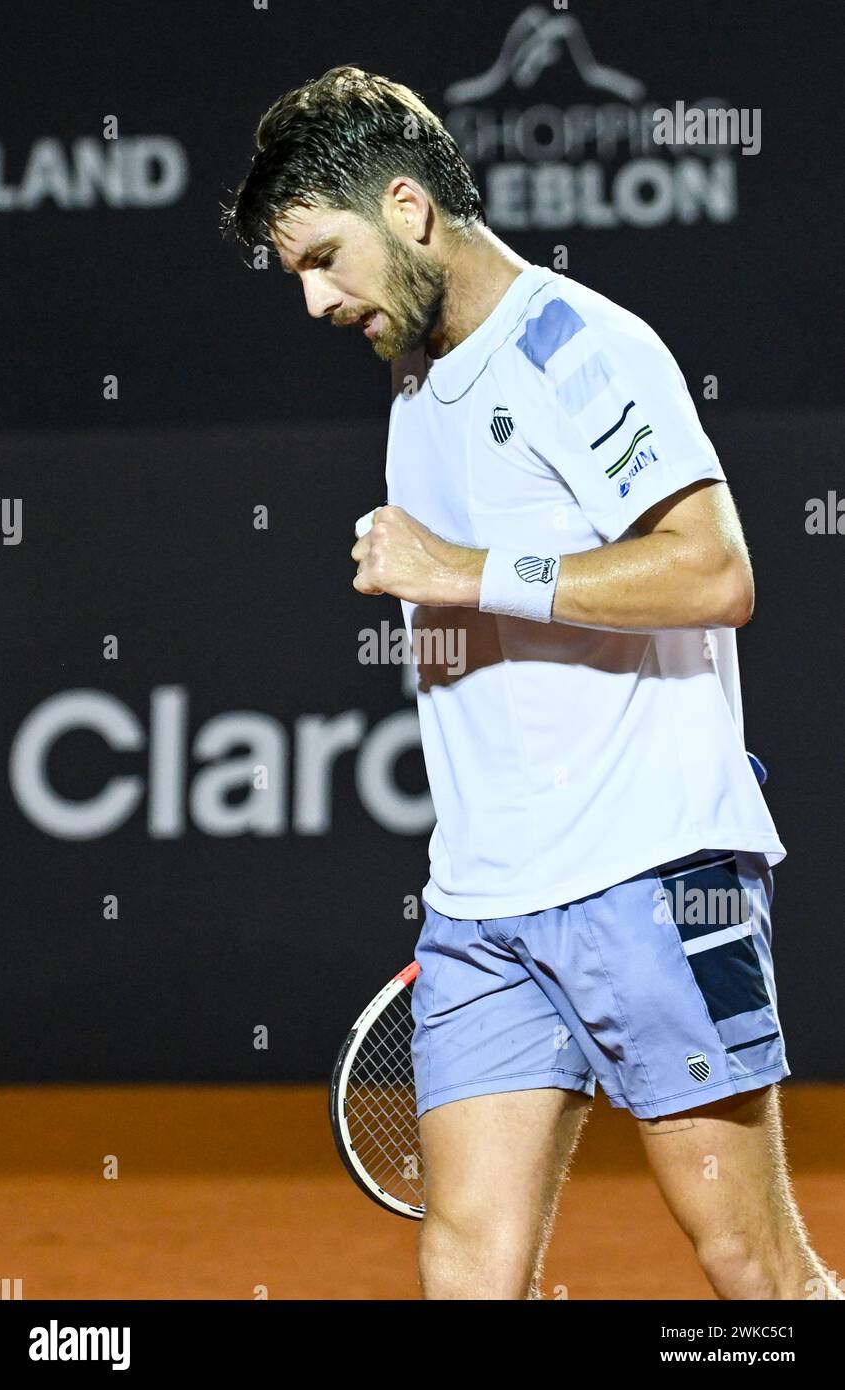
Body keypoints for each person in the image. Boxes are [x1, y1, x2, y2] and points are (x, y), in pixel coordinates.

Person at [223, 65, 842, 1302]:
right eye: (295, 272)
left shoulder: (581, 348)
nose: (313, 300)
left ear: (406, 208)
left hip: (653, 877)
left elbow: (712, 572)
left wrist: (460, 568)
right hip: (483, 905)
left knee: (750, 1267)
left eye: (324, 257)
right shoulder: (416, 388)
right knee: (466, 1266)